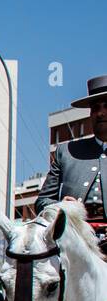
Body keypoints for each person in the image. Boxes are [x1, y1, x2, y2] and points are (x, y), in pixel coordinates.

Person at [36, 74, 107, 255]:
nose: (101, 113)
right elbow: (42, 202)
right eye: (96, 107)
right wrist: (60, 206)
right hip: (75, 245)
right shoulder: (67, 151)